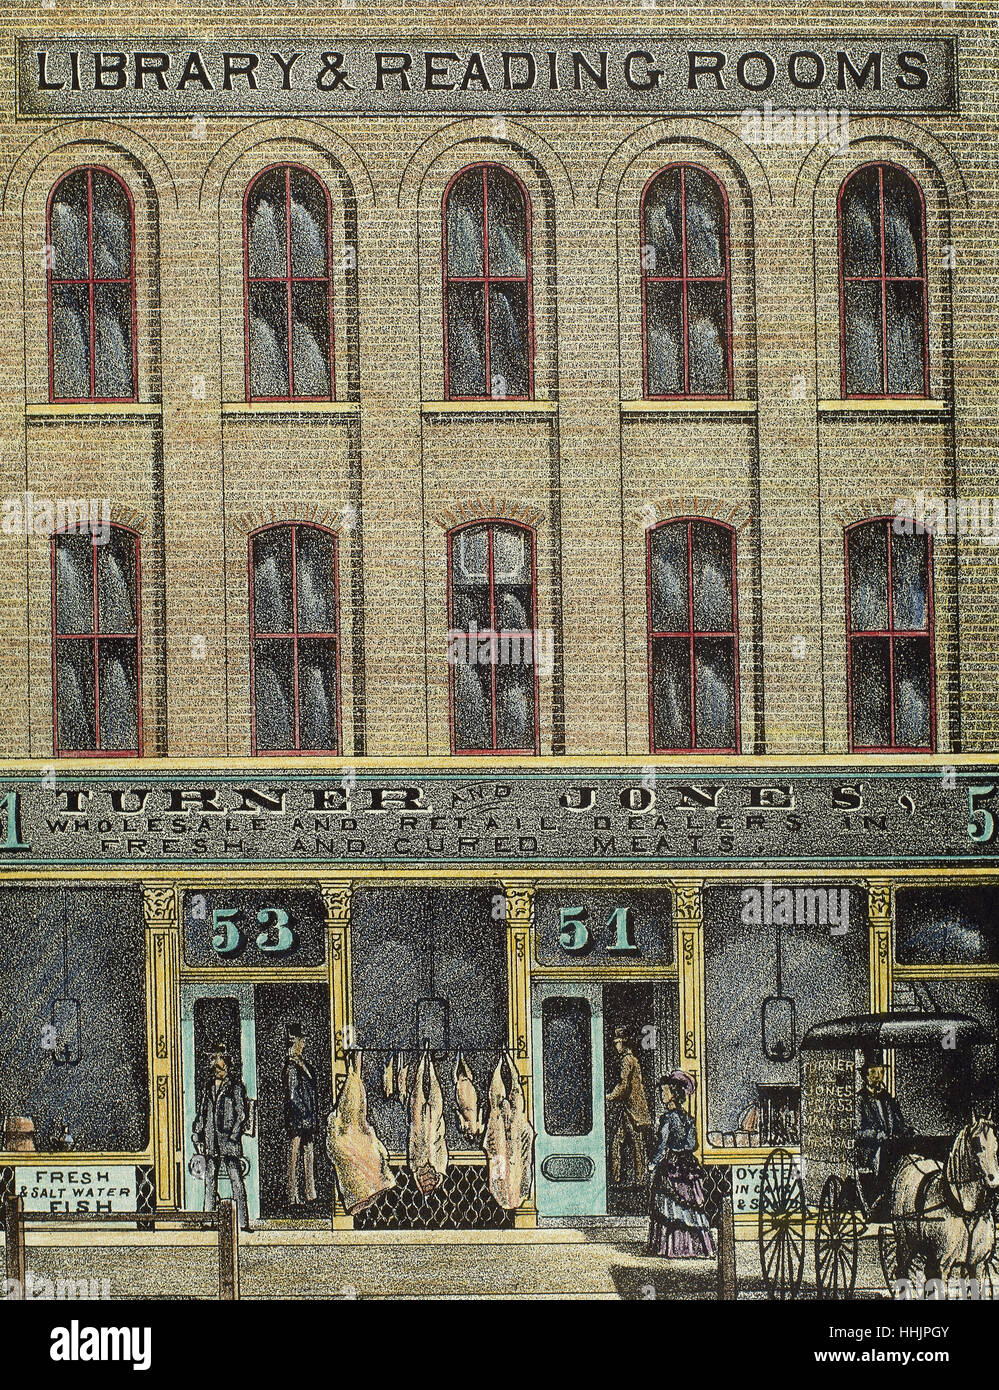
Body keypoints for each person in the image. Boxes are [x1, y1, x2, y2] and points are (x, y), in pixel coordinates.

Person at [648, 1070, 715, 1258]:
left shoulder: (667, 1119)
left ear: (674, 1094)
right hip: (687, 1165)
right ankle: (695, 1248)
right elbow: (693, 1144)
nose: (662, 1095)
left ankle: (672, 1248)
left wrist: (653, 1164)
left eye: (664, 1091)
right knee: (690, 1205)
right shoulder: (688, 1119)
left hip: (671, 1165)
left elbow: (662, 1145)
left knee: (670, 1206)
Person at [192, 1040, 251, 1232]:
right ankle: (208, 1220)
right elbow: (202, 1113)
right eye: (213, 1060)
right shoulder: (208, 1087)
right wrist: (198, 1133)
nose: (215, 1065)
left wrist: (233, 1136)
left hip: (228, 1142)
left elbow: (241, 1115)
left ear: (225, 1063)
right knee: (210, 1179)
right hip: (211, 1141)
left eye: (218, 1060)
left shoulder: (235, 1087)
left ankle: (242, 1222)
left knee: (236, 1180)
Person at [856, 1054, 912, 1208]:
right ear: (865, 1076)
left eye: (881, 1072)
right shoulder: (860, 1100)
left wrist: (906, 1130)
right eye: (873, 1072)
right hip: (870, 1149)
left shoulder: (887, 1098)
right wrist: (875, 1134)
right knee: (884, 1153)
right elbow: (857, 1132)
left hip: (890, 1144)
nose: (878, 1076)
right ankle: (880, 1196)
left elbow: (898, 1121)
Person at [606, 1026, 652, 1185]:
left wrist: (609, 1097)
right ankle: (625, 1178)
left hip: (632, 1110)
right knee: (628, 1143)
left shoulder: (627, 1060)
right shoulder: (633, 1060)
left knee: (627, 1143)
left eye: (617, 1041)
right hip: (631, 1109)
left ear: (624, 1042)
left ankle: (631, 1179)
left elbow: (624, 1085)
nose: (615, 1044)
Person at [284, 1021, 318, 1205]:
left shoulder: (303, 1065)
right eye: (300, 1041)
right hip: (298, 1119)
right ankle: (292, 1194)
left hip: (307, 1119)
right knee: (295, 1156)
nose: (302, 1044)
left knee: (308, 1153)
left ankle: (310, 1192)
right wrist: (303, 1113)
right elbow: (292, 1095)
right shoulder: (291, 1067)